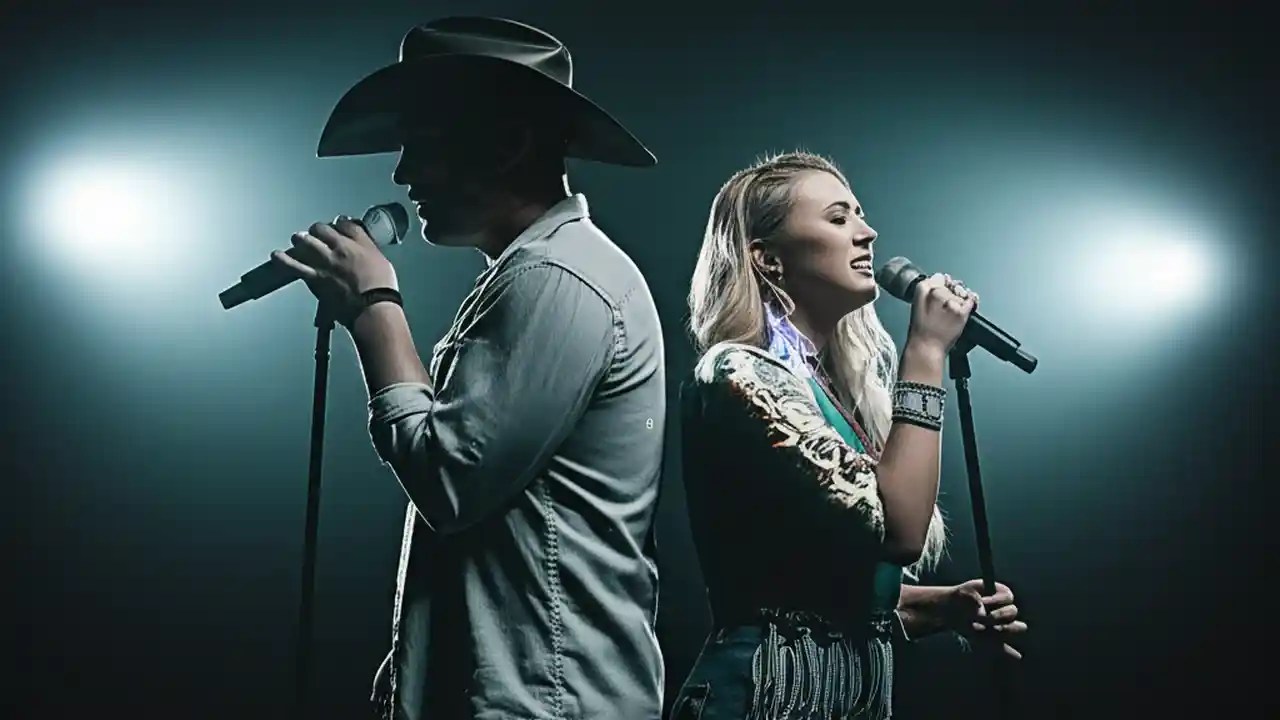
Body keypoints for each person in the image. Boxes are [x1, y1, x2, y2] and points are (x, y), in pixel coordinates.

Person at [269, 17, 667, 720]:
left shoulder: (558, 277)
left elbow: (450, 480)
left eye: (420, 143)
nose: (401, 174)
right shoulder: (531, 275)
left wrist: (373, 307)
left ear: (508, 143)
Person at [671, 151, 1027, 719]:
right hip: (761, 697)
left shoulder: (830, 392)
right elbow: (901, 532)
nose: (867, 233)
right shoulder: (740, 373)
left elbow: (815, 589)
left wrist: (941, 607)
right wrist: (925, 351)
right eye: (838, 218)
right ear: (768, 258)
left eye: (860, 215)